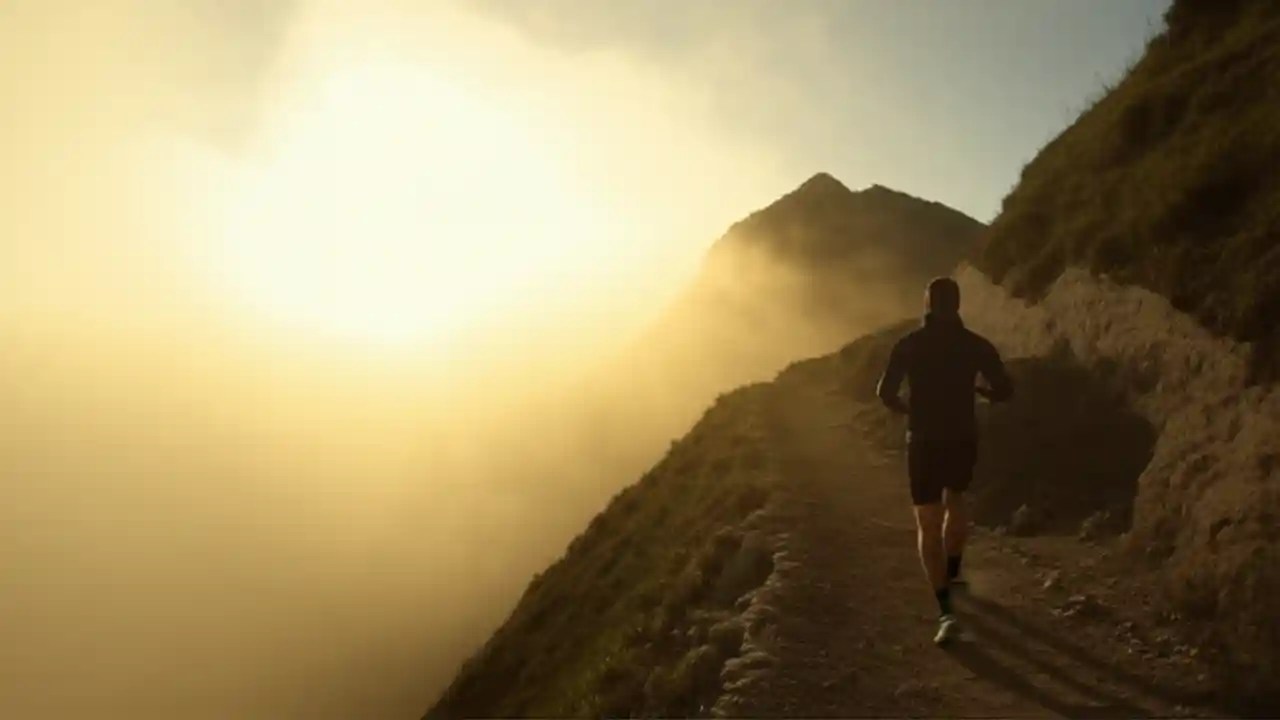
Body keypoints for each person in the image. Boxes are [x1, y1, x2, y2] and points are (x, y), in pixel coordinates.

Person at [876, 276, 1013, 646]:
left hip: (923, 440)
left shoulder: (908, 344)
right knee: (957, 501)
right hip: (963, 437)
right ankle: (953, 573)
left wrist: (909, 411)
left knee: (927, 519)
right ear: (958, 305)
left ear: (927, 304)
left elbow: (885, 393)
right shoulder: (976, 345)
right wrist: (981, 391)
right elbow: (1005, 390)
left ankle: (946, 611)